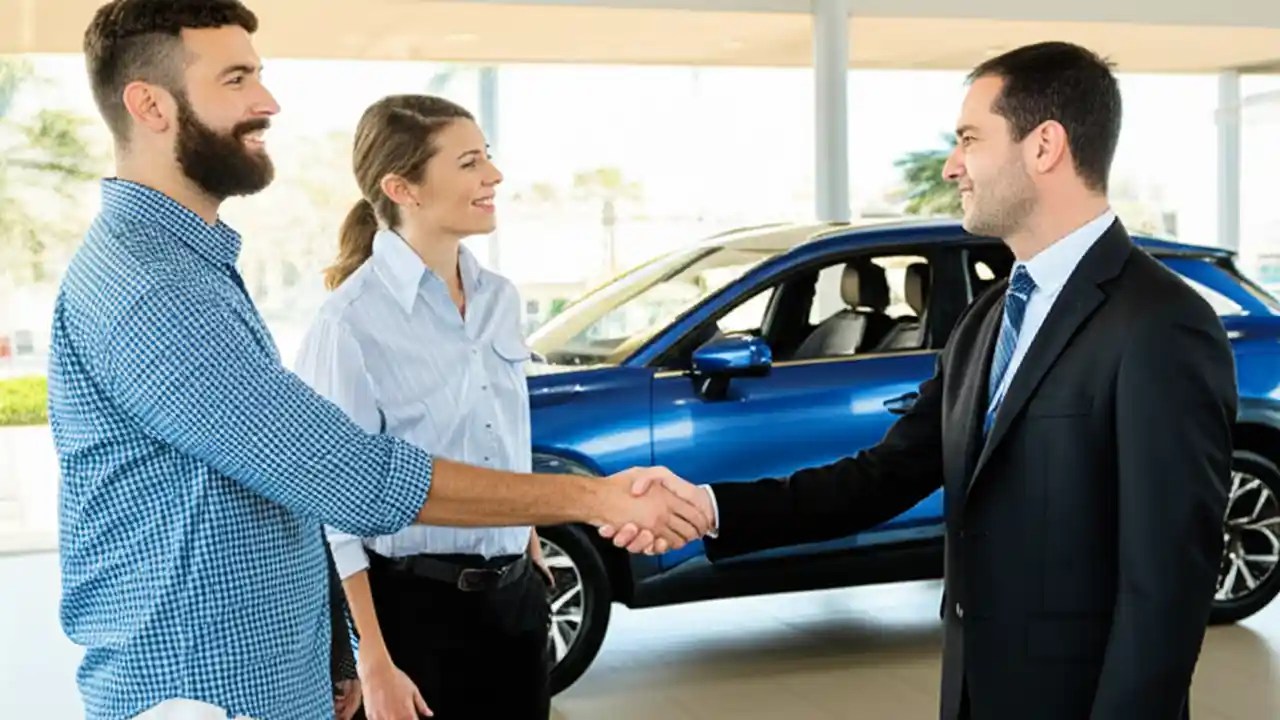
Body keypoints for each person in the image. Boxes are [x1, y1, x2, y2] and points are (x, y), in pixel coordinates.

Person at [51, 3, 709, 719]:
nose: (266, 101)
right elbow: (346, 475)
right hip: (204, 693)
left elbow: (258, 489)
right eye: (236, 79)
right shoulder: (153, 288)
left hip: (269, 679)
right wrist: (596, 497)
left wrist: (331, 650)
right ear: (149, 105)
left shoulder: (190, 265)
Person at [605, 41, 1237, 720]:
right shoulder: (988, 319)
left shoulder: (1163, 324)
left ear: (1044, 145)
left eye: (969, 138)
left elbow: (1166, 588)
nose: (951, 165)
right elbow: (883, 476)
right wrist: (708, 508)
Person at [292, 94, 554, 720]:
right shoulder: (351, 322)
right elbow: (335, 506)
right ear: (402, 187)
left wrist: (532, 546)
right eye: (468, 163)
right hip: (415, 616)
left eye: (487, 158)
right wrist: (373, 659)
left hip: (516, 602)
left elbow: (501, 434)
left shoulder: (500, 298)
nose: (493, 176)